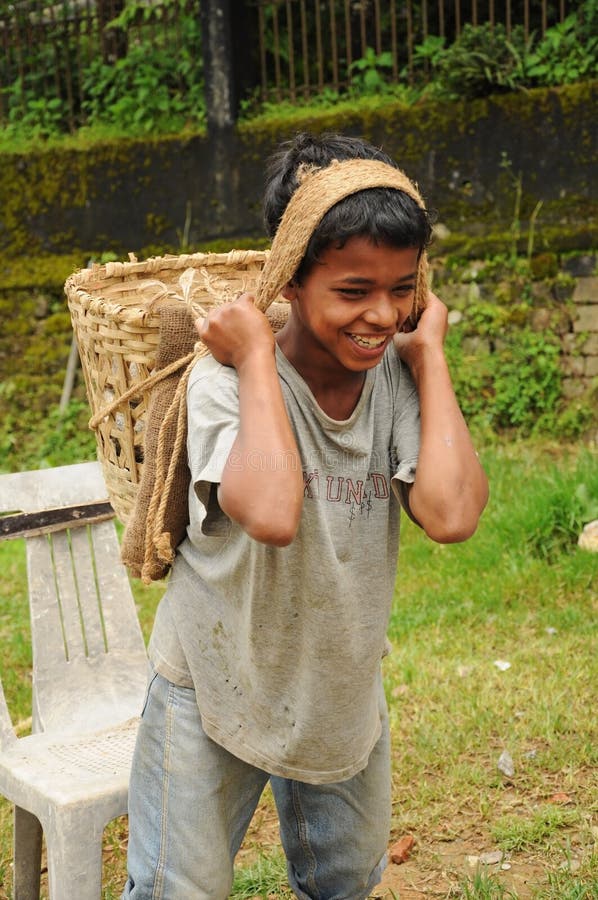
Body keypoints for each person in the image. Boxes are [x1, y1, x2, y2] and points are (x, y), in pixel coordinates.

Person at [122, 132, 489, 900]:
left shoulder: (396, 371)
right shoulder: (225, 378)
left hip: (338, 681)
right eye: (354, 291)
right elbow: (273, 511)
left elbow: (452, 514)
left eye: (402, 288)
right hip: (215, 676)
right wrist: (258, 359)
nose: (382, 315)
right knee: (176, 891)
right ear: (289, 278)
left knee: (344, 885)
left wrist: (432, 360)